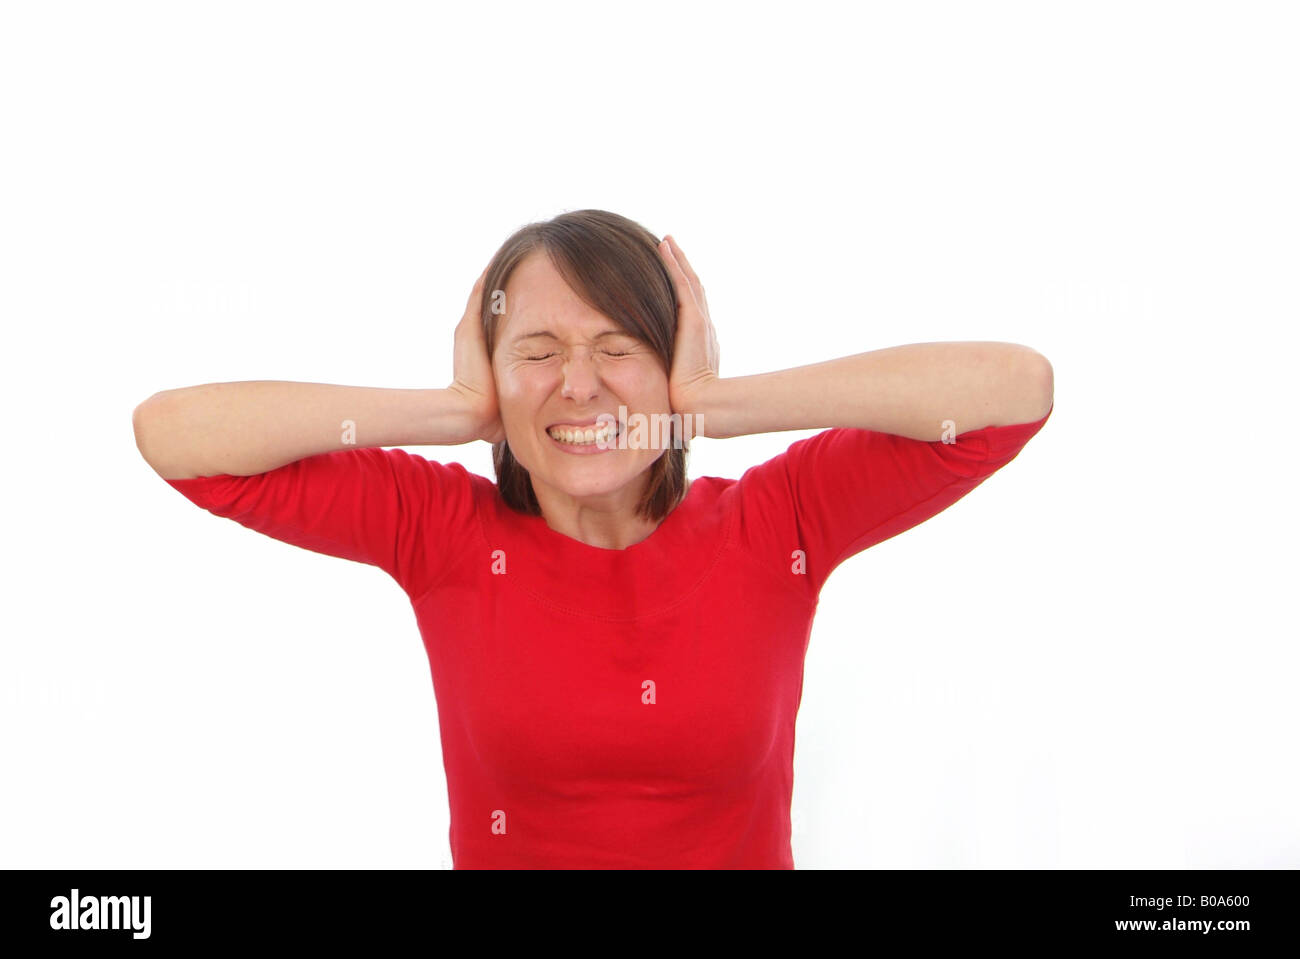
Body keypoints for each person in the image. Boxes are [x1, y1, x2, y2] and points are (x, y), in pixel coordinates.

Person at [133, 209, 1054, 869]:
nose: (578, 386)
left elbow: (1012, 392)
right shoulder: (442, 530)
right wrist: (453, 413)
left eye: (618, 348)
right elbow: (178, 439)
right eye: (536, 351)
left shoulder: (781, 522)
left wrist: (716, 407)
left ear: (672, 362)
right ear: (493, 374)